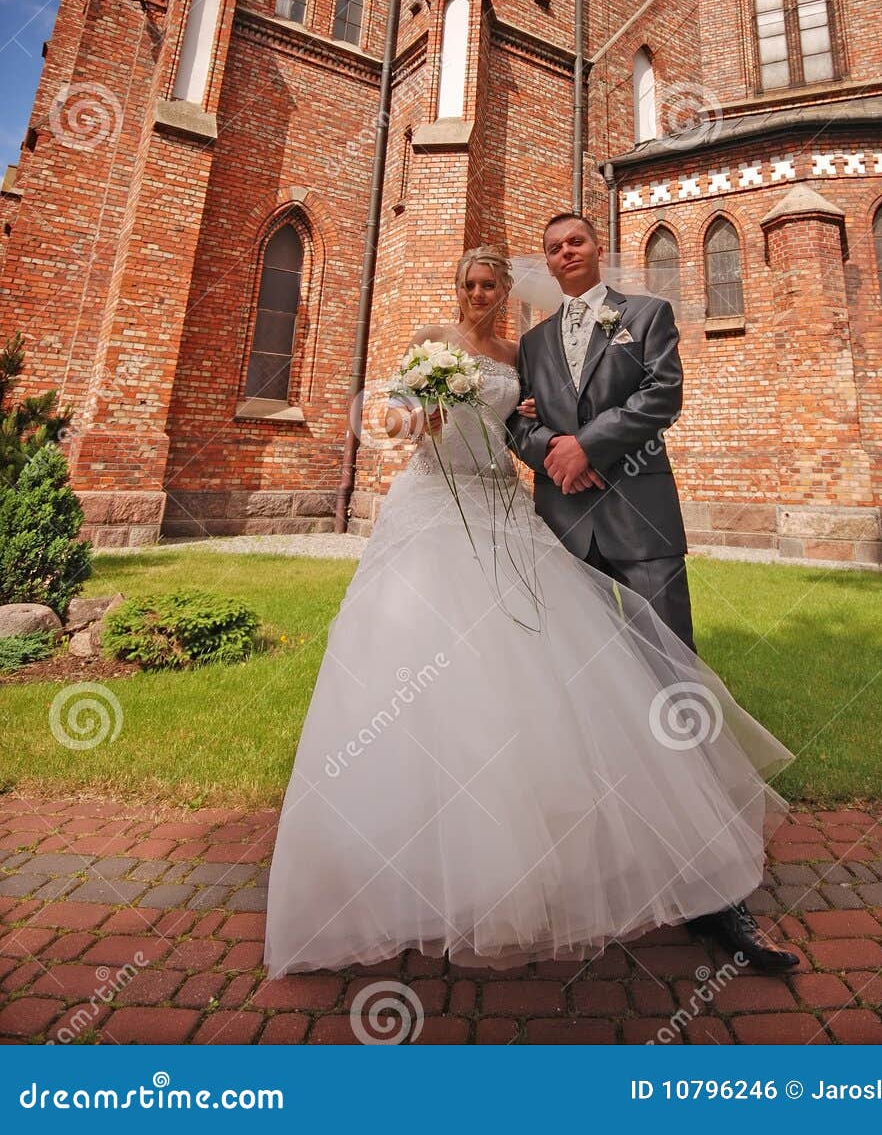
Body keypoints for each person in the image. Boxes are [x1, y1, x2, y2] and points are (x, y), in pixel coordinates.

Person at [263, 244, 797, 979]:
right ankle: (409, 859)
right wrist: (413, 420)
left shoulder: (522, 351)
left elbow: (531, 424)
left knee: (551, 656)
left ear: (504, 291)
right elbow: (391, 418)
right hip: (430, 508)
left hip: (502, 504)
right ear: (456, 286)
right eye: (468, 282)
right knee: (415, 664)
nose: (476, 293)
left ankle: (637, 852)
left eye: (488, 284)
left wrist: (536, 429)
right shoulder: (428, 342)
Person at [506, 214, 798, 974]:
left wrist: (587, 446)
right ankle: (604, 858)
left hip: (641, 523)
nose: (563, 253)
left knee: (673, 687)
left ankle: (715, 889)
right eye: (551, 248)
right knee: (576, 696)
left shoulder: (643, 316)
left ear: (593, 250)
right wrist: (554, 456)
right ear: (545, 262)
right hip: (564, 529)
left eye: (573, 242)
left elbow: (663, 394)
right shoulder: (532, 344)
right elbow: (515, 422)